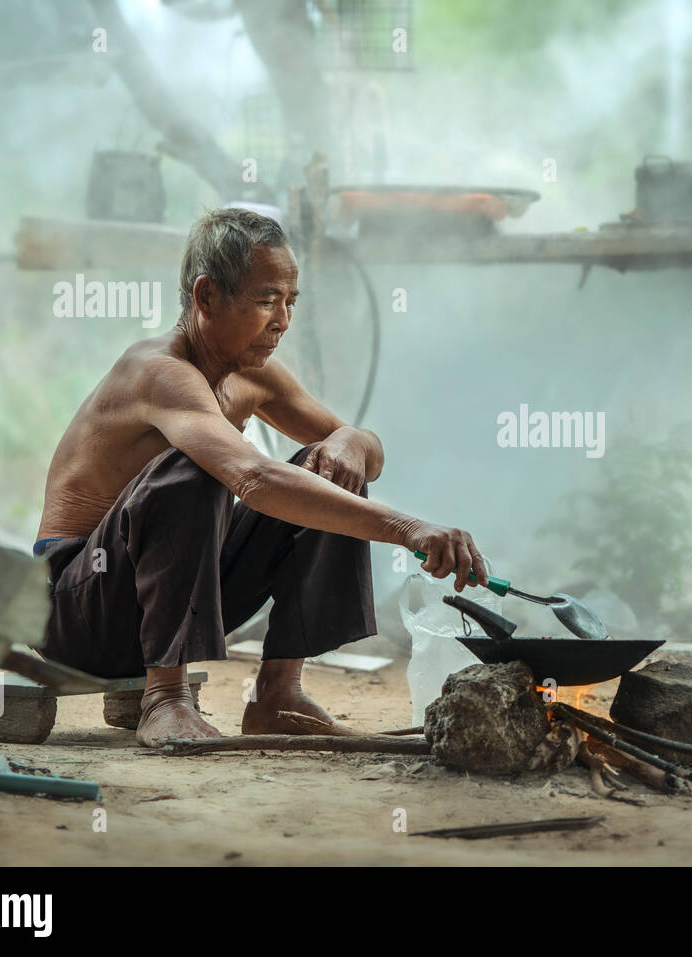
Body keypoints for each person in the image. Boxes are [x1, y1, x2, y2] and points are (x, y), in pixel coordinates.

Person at [33, 207, 487, 746]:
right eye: (266, 300)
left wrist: (350, 439)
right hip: (78, 609)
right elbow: (251, 477)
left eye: (290, 302)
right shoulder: (158, 371)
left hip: (156, 606)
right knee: (196, 470)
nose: (283, 320)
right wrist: (412, 530)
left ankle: (277, 694)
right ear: (206, 297)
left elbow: (370, 456)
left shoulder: (251, 373)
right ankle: (166, 698)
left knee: (332, 470)